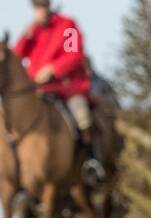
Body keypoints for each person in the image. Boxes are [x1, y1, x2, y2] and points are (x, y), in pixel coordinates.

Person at [11, 0, 105, 184]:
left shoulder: (67, 26)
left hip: (67, 87)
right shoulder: (33, 31)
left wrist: (53, 69)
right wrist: (26, 35)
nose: (41, 10)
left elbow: (74, 55)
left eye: (43, 5)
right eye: (37, 6)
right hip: (40, 91)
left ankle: (91, 161)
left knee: (81, 115)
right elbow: (16, 56)